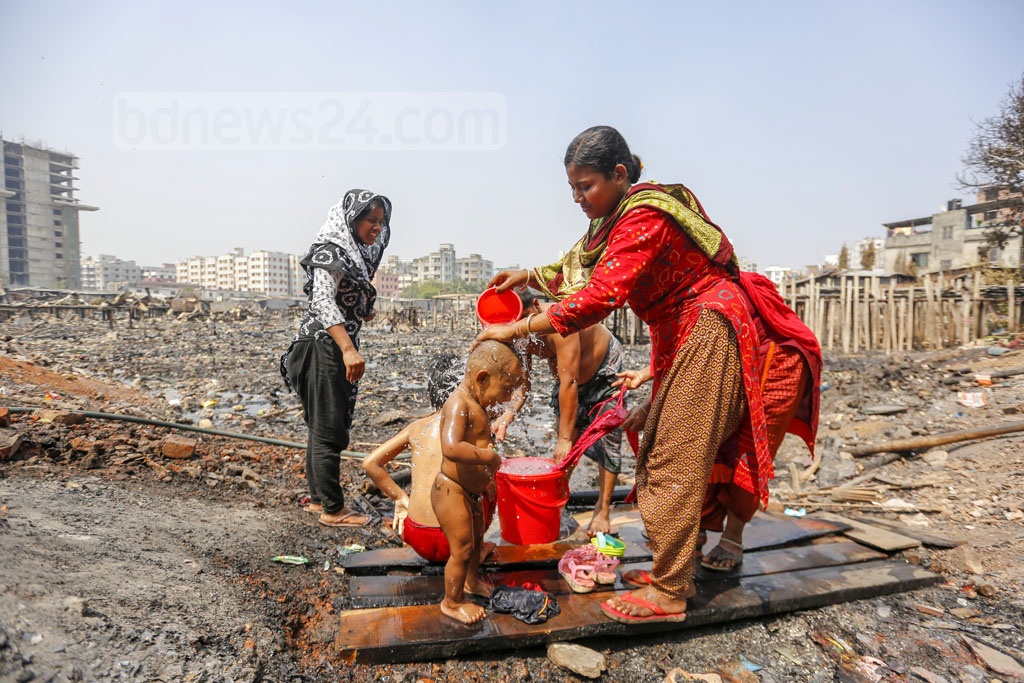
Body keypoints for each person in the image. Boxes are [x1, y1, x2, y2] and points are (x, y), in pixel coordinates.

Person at [477, 125, 773, 625]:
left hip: (706, 324)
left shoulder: (644, 216)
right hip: (676, 331)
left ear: (619, 174)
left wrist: (516, 328)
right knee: (656, 442)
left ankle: (671, 590)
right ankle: (674, 562)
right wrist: (525, 276)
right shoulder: (608, 224)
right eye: (571, 188)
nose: (577, 197)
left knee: (679, 453)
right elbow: (574, 268)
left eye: (585, 186)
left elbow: (597, 297)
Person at [616, 275, 821, 573]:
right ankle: (693, 529)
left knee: (745, 448)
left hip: (775, 358)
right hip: (724, 354)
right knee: (703, 441)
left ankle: (733, 537)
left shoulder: (706, 293)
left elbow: (694, 358)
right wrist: (649, 393)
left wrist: (650, 406)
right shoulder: (670, 295)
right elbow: (679, 354)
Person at [281, 189, 391, 528]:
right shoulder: (330, 251)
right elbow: (323, 303)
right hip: (324, 345)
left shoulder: (354, 256)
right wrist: (347, 348)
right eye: (370, 220)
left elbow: (353, 302)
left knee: (319, 428)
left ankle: (319, 501)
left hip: (324, 344)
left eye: (380, 222)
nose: (376, 227)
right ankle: (334, 509)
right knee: (329, 429)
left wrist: (364, 309)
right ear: (351, 219)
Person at [361, 354, 498, 563]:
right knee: (490, 480)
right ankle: (476, 551)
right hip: (453, 541)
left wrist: (399, 498)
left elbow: (370, 463)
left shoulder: (417, 427)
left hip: (416, 536)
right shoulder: (474, 427)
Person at [517, 289, 625, 536]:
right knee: (565, 447)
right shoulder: (518, 331)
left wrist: (565, 439)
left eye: (524, 318)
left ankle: (603, 509)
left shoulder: (559, 321)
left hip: (603, 367)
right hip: (569, 378)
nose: (521, 326)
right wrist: (507, 416)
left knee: (608, 437)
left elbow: (570, 384)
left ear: (535, 306)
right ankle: (557, 500)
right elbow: (524, 383)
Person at [432, 340, 525, 625]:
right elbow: (451, 447)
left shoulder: (477, 403)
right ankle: (452, 601)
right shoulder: (458, 404)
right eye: (506, 390)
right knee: (461, 549)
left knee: (475, 543)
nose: (507, 398)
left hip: (469, 492)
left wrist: (487, 479)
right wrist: (487, 455)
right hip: (451, 490)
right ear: (482, 378)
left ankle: (471, 583)